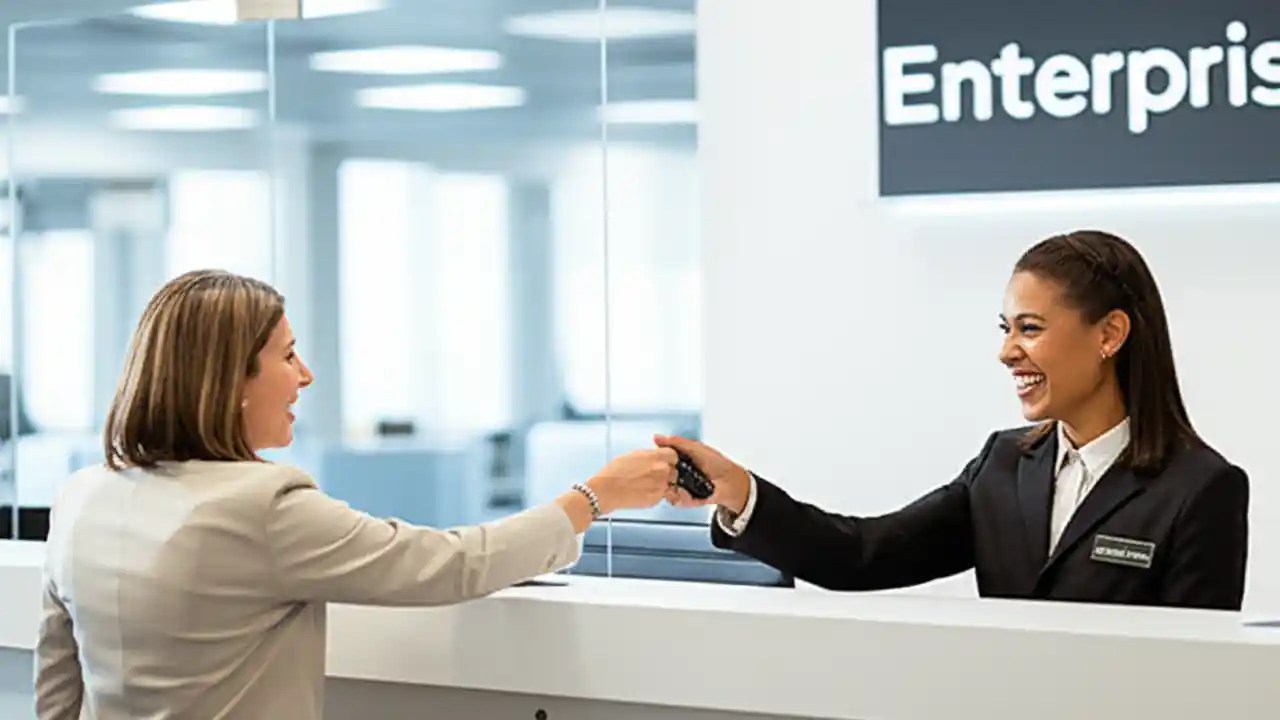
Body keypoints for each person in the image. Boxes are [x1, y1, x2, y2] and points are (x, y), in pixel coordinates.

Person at [35, 270, 678, 719]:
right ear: (232, 381)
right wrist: (594, 497)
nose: (305, 375)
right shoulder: (260, 505)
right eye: (288, 357)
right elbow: (452, 563)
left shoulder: (83, 496)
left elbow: (57, 686)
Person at [661, 230, 1249, 611]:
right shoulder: (1003, 465)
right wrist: (740, 493)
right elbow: (864, 554)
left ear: (1110, 334)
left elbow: (1198, 682)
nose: (1007, 352)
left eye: (1030, 328)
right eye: (1006, 329)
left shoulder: (1201, 489)